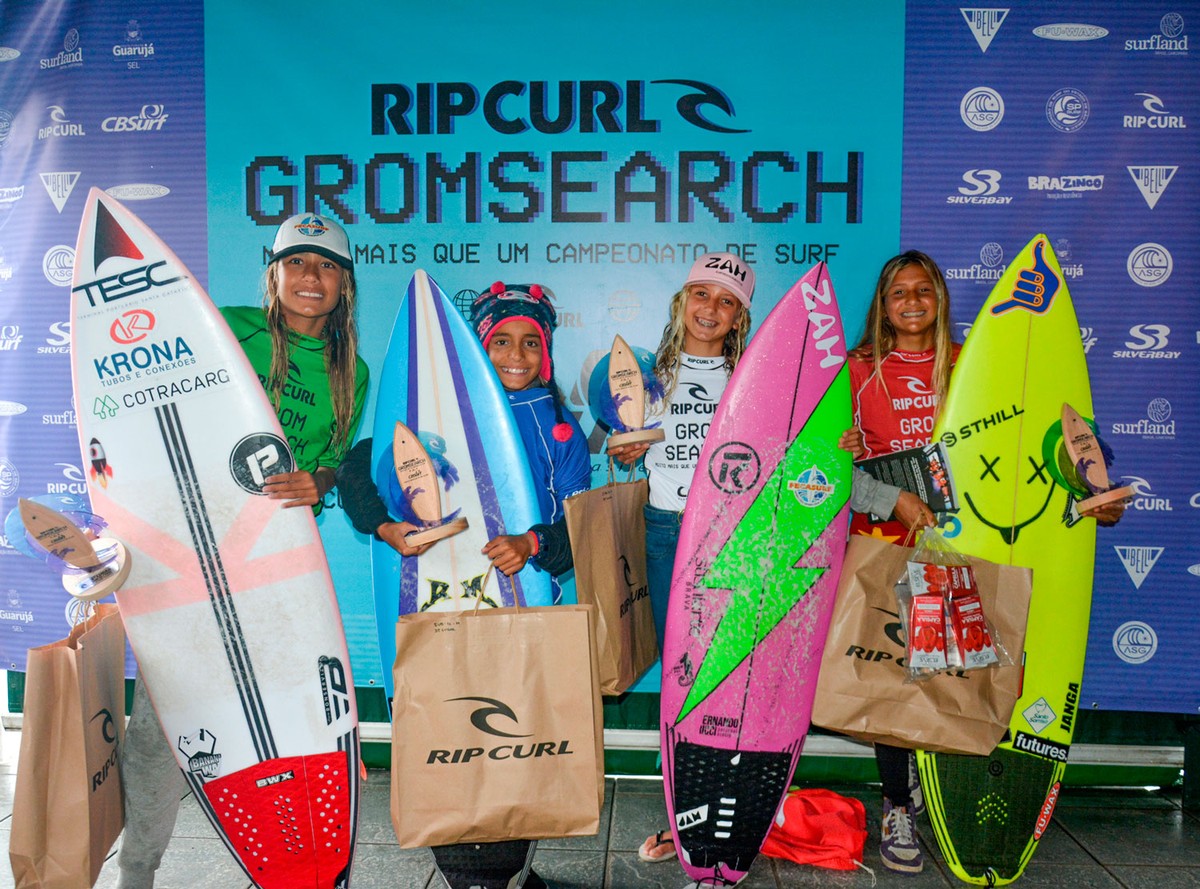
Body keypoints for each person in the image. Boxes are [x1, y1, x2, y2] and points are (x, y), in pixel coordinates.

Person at [839, 249, 1124, 874]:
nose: (911, 302)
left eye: (924, 291)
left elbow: (1061, 432)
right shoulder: (857, 372)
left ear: (941, 299)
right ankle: (897, 806)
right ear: (882, 307)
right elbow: (830, 471)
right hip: (888, 545)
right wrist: (891, 497)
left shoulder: (978, 364)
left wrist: (1095, 486)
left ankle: (947, 798)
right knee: (894, 683)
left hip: (969, 551)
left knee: (955, 680)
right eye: (898, 293)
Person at [117, 212, 367, 889]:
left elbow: (334, 465)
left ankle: (305, 867)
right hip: (191, 560)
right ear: (274, 274)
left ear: (344, 283)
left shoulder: (355, 371)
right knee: (163, 729)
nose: (310, 278)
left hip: (276, 573)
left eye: (326, 266)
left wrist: (319, 479)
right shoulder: (224, 327)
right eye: (296, 263)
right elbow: (143, 409)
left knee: (292, 723)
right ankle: (136, 870)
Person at [337, 280, 589, 888]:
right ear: (476, 350)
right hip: (436, 606)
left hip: (524, 605)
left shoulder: (560, 429)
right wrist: (385, 526)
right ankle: (462, 874)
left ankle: (511, 870)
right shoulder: (423, 424)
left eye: (532, 343)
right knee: (448, 733)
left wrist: (534, 545)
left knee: (517, 736)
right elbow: (357, 474)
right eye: (499, 341)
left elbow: (583, 526)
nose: (516, 355)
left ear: (548, 354)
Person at [605, 252, 754, 866]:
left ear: (741, 315)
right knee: (684, 674)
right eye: (701, 294)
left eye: (726, 301)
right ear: (680, 302)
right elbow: (619, 450)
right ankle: (680, 812)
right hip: (667, 531)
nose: (710, 310)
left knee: (735, 674)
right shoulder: (646, 374)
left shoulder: (756, 376)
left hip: (737, 537)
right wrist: (623, 452)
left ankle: (739, 804)